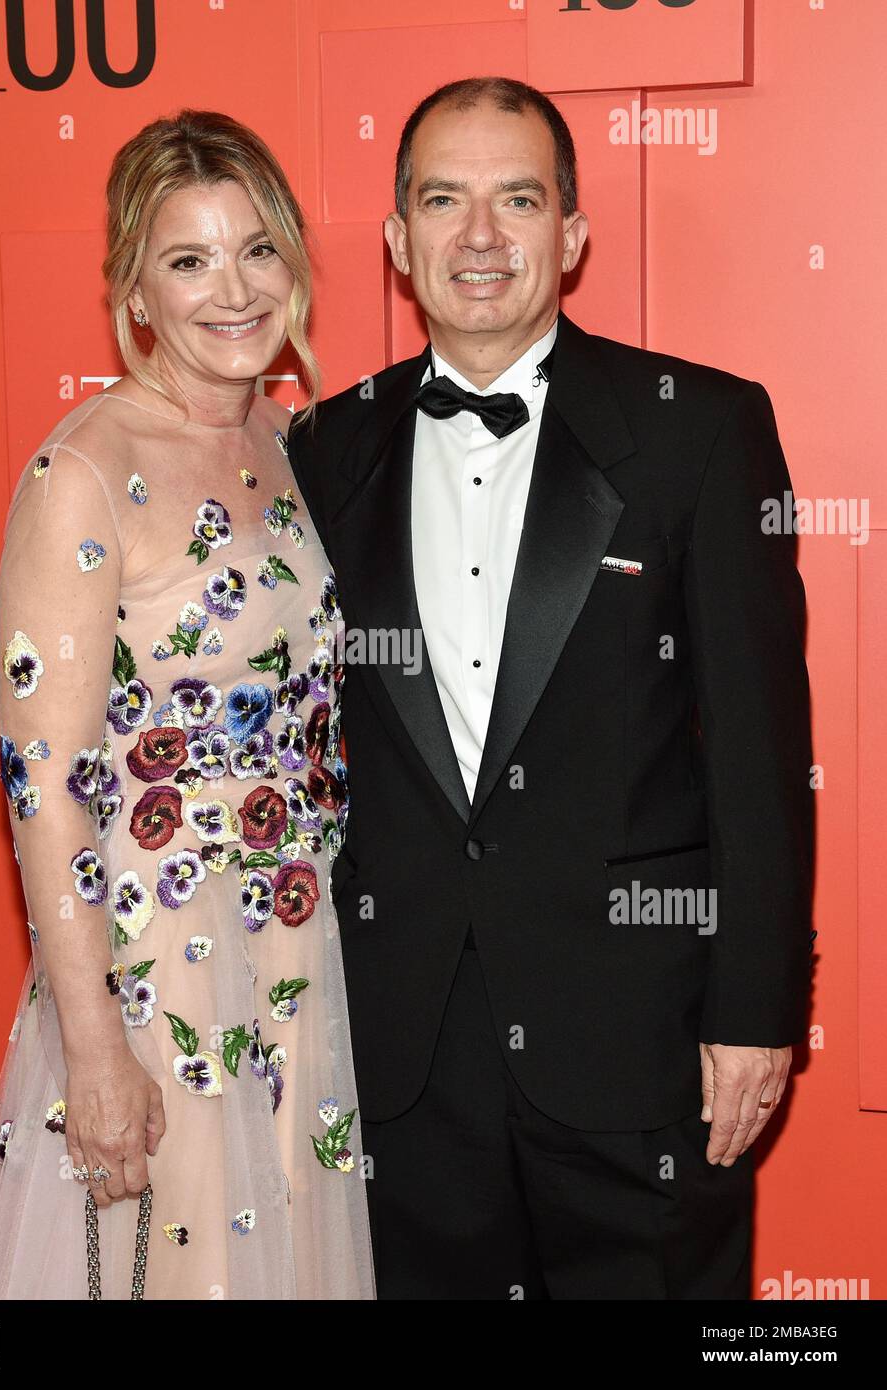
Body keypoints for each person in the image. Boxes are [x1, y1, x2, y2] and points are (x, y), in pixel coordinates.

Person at [285, 76, 815, 1300]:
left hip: (639, 1046)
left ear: (571, 235)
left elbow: (759, 753)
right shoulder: (322, 450)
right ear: (396, 240)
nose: (479, 237)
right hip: (404, 1055)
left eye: (517, 199)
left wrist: (756, 1009)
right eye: (443, 200)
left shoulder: (700, 430)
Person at [0, 109, 374, 1300]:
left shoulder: (285, 437)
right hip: (161, 981)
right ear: (132, 289)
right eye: (189, 260)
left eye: (256, 250)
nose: (232, 291)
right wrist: (94, 1050)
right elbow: (44, 788)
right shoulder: (84, 474)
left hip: (294, 953)